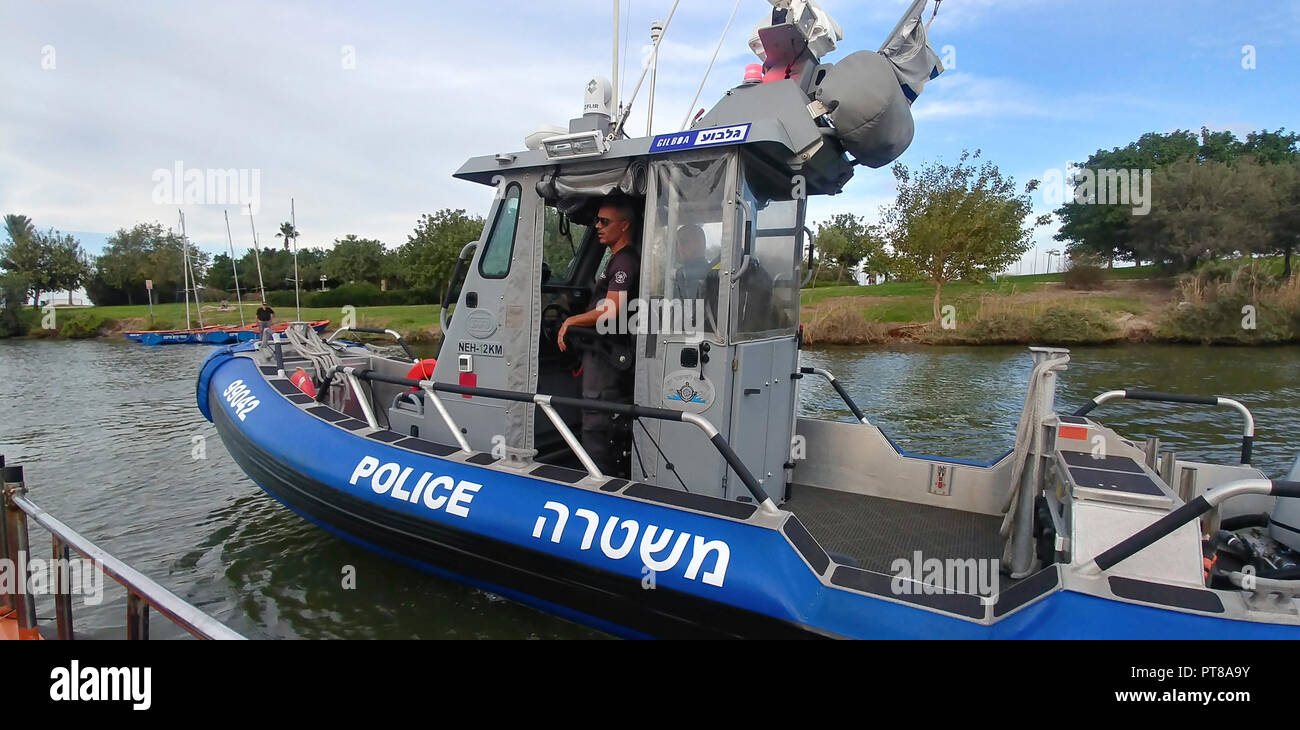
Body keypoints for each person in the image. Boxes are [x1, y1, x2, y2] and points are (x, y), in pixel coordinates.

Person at [558, 197, 640, 477]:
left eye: (604, 222)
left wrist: (572, 320)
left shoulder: (625, 261)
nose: (597, 227)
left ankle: (598, 481)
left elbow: (613, 307)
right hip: (601, 349)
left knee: (596, 418)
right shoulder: (616, 259)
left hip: (606, 352)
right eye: (596, 221)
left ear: (625, 225)